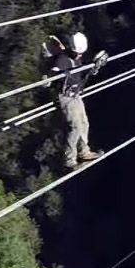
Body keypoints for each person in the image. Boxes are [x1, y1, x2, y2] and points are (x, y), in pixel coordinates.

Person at [46, 31, 107, 170]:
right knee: (75, 127)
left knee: (84, 123)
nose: (79, 55)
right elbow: (54, 70)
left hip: (75, 94)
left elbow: (82, 70)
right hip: (65, 96)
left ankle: (84, 152)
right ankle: (69, 159)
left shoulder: (75, 56)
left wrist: (95, 66)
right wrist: (52, 76)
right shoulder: (63, 59)